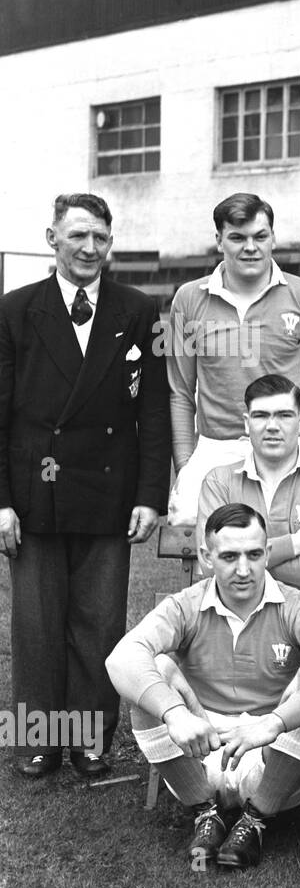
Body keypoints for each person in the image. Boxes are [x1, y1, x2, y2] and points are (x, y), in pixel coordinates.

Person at [1, 193, 170, 778]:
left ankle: (90, 738)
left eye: (100, 237)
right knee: (37, 626)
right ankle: (39, 739)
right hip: (34, 493)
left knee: (99, 621)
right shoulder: (15, 310)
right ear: (52, 239)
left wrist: (151, 494)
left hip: (109, 493)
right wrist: (2, 503)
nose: (90, 248)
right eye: (78, 236)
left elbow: (155, 406)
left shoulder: (141, 309)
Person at [105, 504, 300, 870]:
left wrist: (273, 723)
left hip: (273, 758)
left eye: (254, 555)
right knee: (154, 670)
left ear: (268, 555)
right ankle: (203, 812)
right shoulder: (186, 605)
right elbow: (121, 657)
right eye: (229, 557)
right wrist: (175, 714)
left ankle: (257, 819)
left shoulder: (297, 606)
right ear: (206, 557)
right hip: (200, 752)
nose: (243, 569)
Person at [167, 193, 300, 524]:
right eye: (237, 238)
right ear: (219, 241)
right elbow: (180, 392)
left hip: (289, 442)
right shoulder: (188, 299)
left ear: (273, 238)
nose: (250, 247)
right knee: (196, 530)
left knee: (293, 549)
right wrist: (186, 464)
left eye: (260, 236)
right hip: (219, 446)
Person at [196, 374, 300, 596]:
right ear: (246, 423)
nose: (272, 426)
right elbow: (212, 567)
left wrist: (238, 560)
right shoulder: (218, 482)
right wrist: (294, 545)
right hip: (235, 617)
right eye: (260, 416)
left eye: (284, 416)